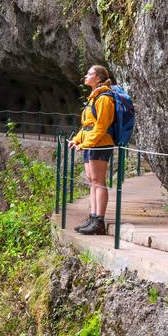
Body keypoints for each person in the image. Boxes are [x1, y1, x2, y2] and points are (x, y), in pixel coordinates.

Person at [68, 64, 116, 235]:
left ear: (98, 78)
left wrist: (85, 144)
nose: (86, 76)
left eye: (89, 74)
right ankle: (93, 217)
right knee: (92, 180)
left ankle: (99, 221)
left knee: (98, 181)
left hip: (100, 143)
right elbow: (88, 126)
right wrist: (76, 140)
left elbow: (101, 127)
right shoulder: (94, 97)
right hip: (91, 143)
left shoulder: (104, 98)